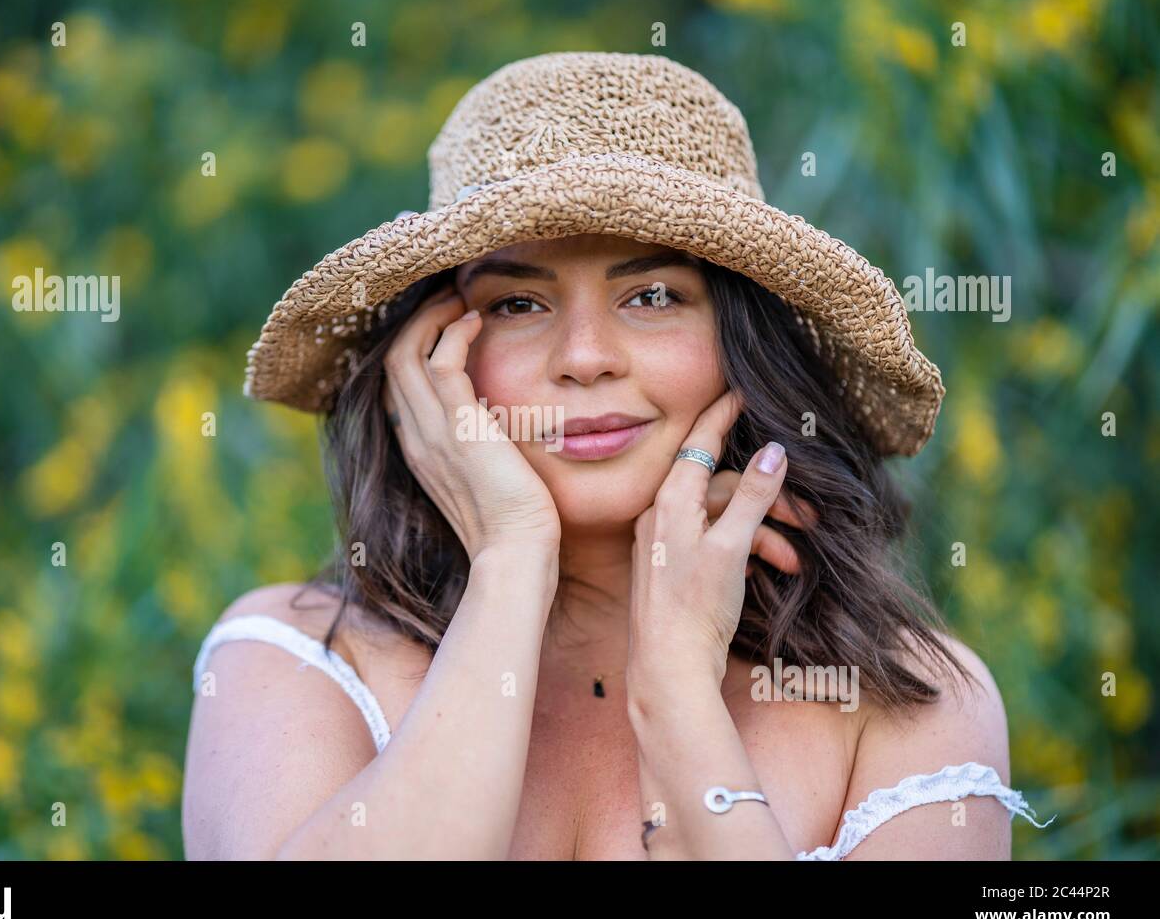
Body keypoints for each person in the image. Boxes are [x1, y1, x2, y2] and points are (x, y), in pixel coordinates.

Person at [182, 51, 1054, 859]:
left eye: (652, 293)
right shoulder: (295, 661)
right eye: (519, 304)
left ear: (744, 344)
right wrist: (512, 560)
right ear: (430, 359)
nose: (588, 354)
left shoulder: (901, 701)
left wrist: (675, 696)